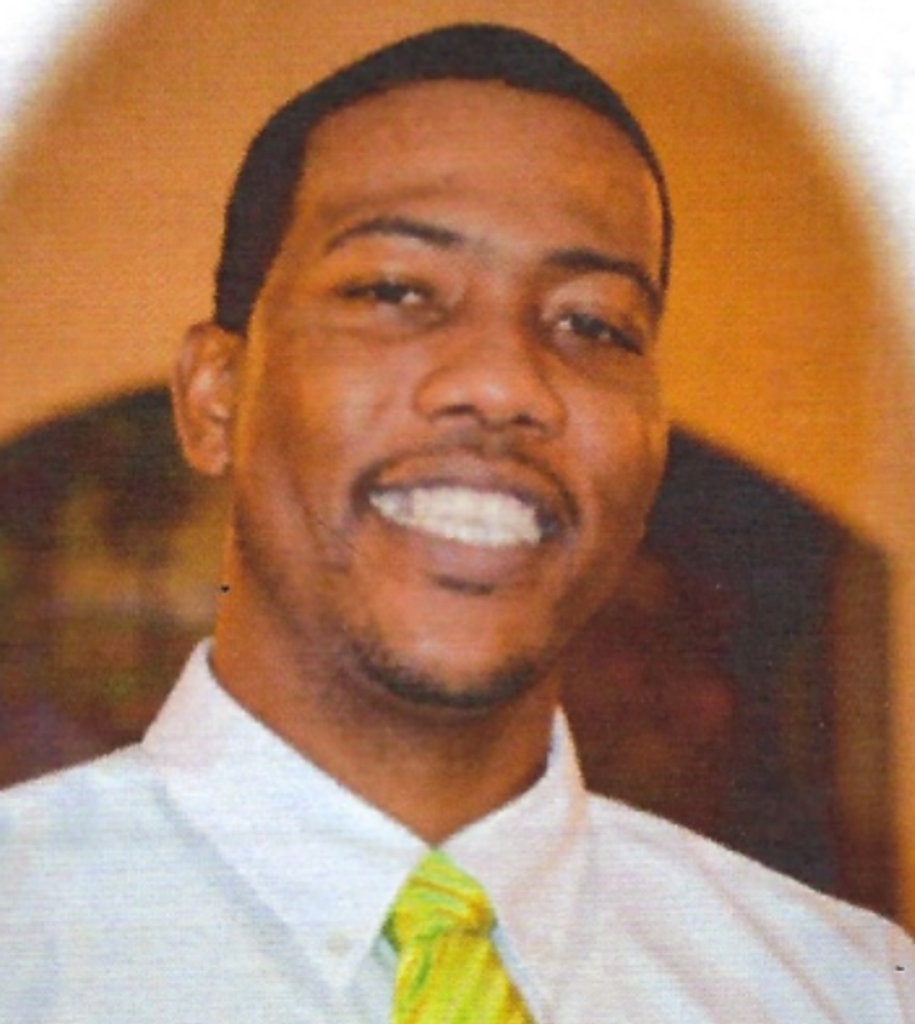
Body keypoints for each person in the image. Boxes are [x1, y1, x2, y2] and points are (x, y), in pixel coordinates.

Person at [0, 23, 912, 1022]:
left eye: (591, 323)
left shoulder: (844, 990)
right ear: (216, 398)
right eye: (395, 291)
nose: (505, 381)